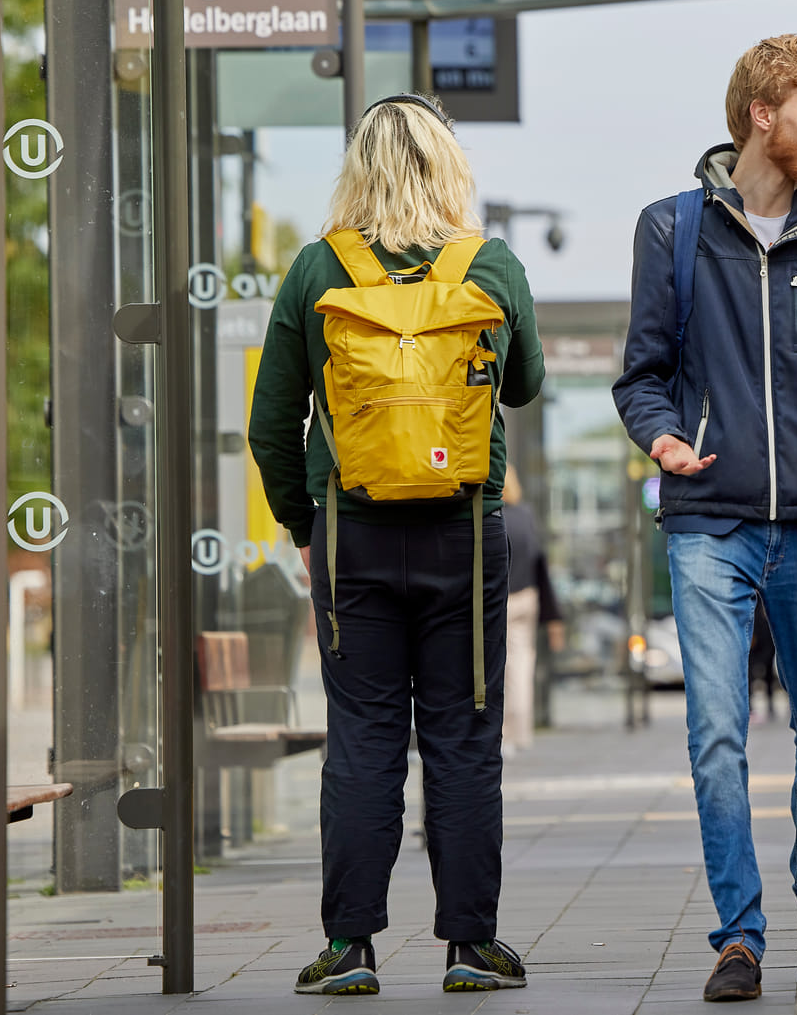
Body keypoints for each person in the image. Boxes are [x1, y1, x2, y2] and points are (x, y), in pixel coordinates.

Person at [611, 33, 797, 1003]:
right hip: (709, 525)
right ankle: (738, 933)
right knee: (716, 734)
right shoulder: (673, 231)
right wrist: (660, 437)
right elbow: (642, 374)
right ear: (762, 115)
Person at [249, 93, 545, 996]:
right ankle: (469, 946)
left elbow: (271, 423)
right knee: (462, 737)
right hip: (462, 533)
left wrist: (308, 525)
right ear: (449, 165)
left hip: (354, 539)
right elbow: (525, 384)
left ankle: (349, 948)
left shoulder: (315, 269)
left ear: (359, 167)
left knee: (364, 739)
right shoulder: (487, 264)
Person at [500, 467, 562, 756]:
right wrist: (554, 618)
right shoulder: (525, 515)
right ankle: (520, 734)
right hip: (527, 597)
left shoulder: (491, 516)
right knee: (521, 668)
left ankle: (502, 735)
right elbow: (541, 565)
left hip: (499, 600)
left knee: (494, 668)